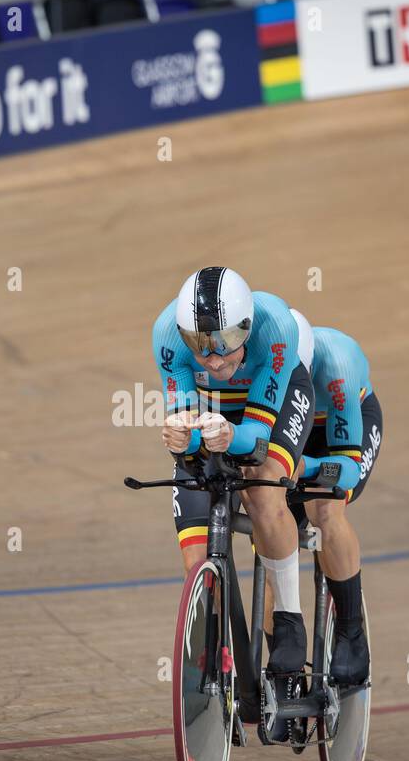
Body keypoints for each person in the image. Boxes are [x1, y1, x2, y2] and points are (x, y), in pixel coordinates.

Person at [153, 267, 315, 737]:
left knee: (263, 485)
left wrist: (233, 435)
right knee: (196, 554)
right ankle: (217, 659)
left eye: (224, 343)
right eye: (200, 345)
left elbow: (259, 436)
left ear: (246, 329)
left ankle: (287, 631)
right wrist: (178, 436)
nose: (213, 357)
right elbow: (182, 418)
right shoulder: (168, 334)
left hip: (274, 401)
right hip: (215, 406)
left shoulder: (277, 330)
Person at [290, 321, 382, 686]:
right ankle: (286, 670)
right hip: (295, 427)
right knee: (270, 525)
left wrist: (307, 467)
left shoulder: (338, 368)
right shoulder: (266, 363)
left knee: (323, 507)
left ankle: (350, 631)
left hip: (342, 430)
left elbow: (347, 471)